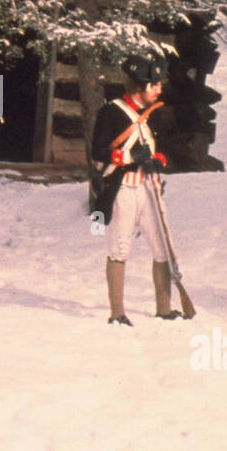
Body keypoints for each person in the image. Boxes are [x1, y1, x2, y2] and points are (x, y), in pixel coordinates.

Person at [90, 55, 176, 325]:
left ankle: (164, 308)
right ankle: (117, 313)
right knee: (120, 248)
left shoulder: (153, 114)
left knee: (162, 247)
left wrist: (157, 159)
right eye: (155, 85)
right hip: (124, 188)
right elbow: (98, 152)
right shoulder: (112, 111)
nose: (159, 90)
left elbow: (157, 150)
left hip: (149, 189)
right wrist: (128, 159)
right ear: (141, 87)